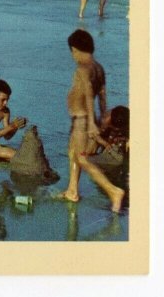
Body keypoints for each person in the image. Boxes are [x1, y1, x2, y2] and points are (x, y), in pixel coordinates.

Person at [58, 29, 124, 212]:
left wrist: (93, 124)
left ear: (76, 49)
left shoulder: (82, 68)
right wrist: (102, 118)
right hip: (86, 118)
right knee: (73, 152)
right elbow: (102, 94)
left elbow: (88, 92)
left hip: (82, 119)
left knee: (82, 159)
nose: (73, 56)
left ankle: (113, 192)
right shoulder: (99, 68)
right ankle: (72, 191)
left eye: (73, 51)